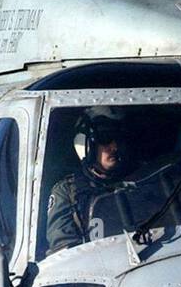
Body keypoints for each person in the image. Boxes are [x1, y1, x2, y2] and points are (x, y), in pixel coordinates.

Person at [46, 108, 134, 253]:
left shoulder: (139, 179)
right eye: (105, 139)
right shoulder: (67, 192)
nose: (114, 147)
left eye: (117, 139)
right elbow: (63, 251)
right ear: (86, 145)